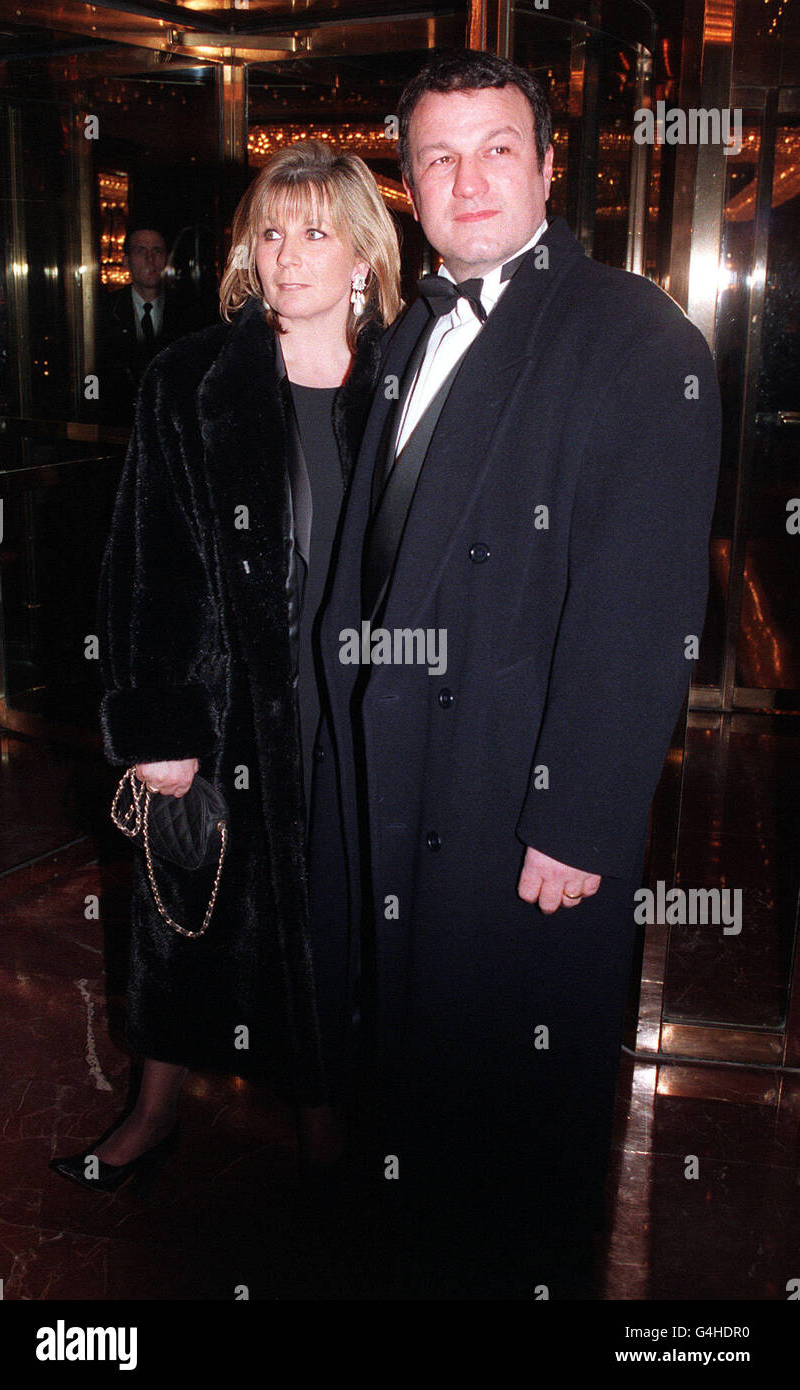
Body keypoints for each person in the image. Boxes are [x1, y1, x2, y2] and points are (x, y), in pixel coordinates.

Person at [308, 50, 722, 1296]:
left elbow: (642, 606)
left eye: (496, 148)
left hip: (510, 797)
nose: (466, 177)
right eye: (437, 155)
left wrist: (581, 816)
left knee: (508, 1114)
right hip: (388, 780)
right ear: (408, 183)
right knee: (402, 1086)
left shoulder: (635, 336)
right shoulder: (402, 339)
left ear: (548, 166)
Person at [50, 141, 400, 1193]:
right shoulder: (190, 377)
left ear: (361, 249)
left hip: (366, 704)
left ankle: (329, 1119)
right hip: (223, 700)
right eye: (270, 230)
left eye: (316, 230)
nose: (288, 255)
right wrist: (158, 726)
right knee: (183, 916)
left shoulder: (409, 375)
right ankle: (152, 1110)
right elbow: (144, 558)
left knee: (337, 922)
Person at [96, 225, 201, 424]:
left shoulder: (189, 313)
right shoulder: (103, 311)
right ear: (126, 261)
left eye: (157, 251)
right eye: (140, 251)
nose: (150, 259)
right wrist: (92, 412)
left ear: (167, 260)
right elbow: (92, 376)